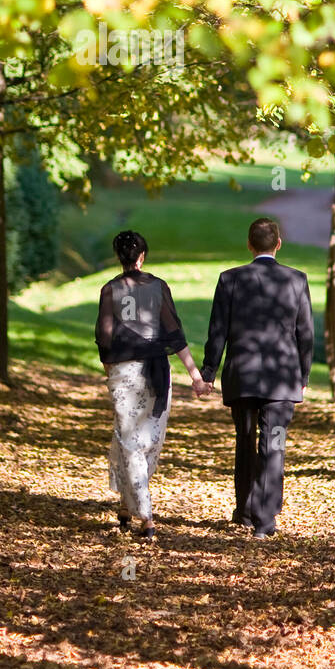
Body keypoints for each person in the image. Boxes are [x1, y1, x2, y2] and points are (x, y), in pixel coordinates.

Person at [200, 217, 314, 539]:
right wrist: (303, 375)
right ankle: (265, 520)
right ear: (278, 244)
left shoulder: (230, 279)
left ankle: (246, 511)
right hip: (281, 379)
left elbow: (217, 333)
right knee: (274, 446)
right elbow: (305, 334)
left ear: (249, 245)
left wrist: (209, 372)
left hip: (243, 377)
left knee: (245, 441)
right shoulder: (296, 280)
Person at [96, 229, 211, 540]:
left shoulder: (109, 290)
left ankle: (125, 504)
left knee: (130, 440)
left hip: (123, 372)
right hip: (158, 371)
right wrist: (195, 376)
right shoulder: (159, 287)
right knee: (144, 442)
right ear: (142, 257)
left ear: (119, 258)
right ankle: (146, 516)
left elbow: (104, 339)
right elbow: (175, 335)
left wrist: (111, 370)